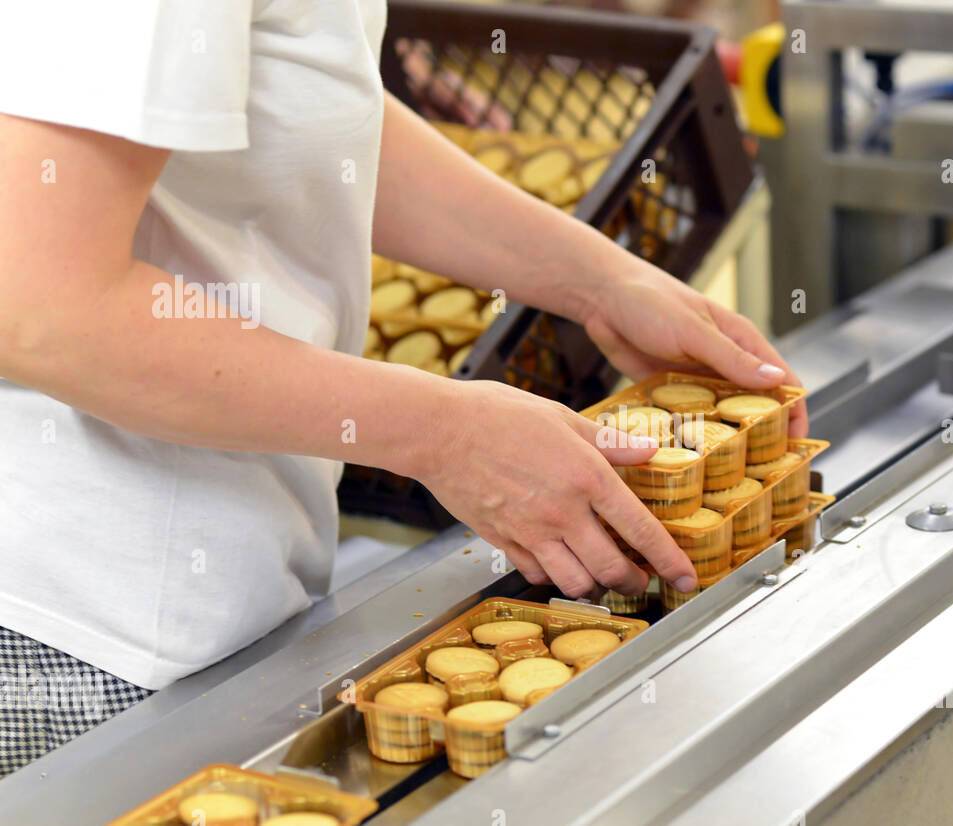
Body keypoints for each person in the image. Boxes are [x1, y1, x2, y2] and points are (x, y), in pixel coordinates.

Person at [0, 3, 804, 777]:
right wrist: (441, 433)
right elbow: (43, 309)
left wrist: (600, 279)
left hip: (219, 593)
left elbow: (310, 114)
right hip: (80, 638)